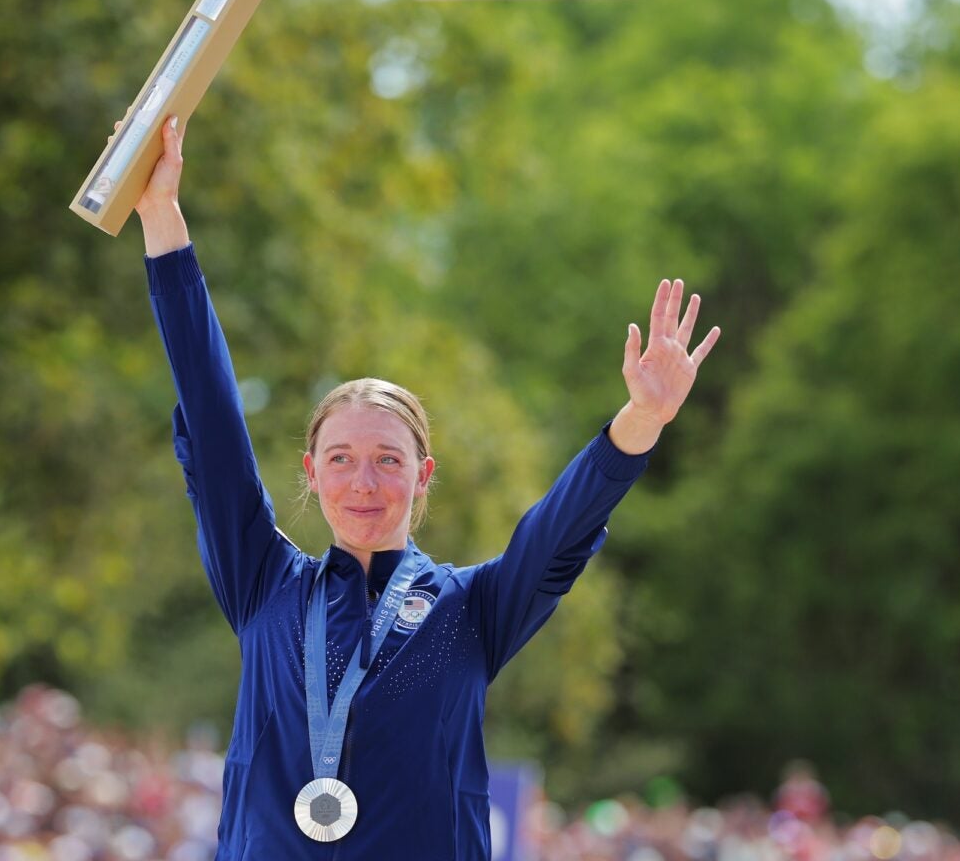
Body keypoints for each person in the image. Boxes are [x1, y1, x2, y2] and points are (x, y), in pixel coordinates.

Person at [132, 114, 720, 859]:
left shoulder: (470, 610)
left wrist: (641, 419)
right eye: (340, 459)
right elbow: (213, 422)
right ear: (310, 473)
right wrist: (163, 221)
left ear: (423, 476)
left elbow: (561, 529)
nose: (364, 481)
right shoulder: (262, 584)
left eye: (388, 460)